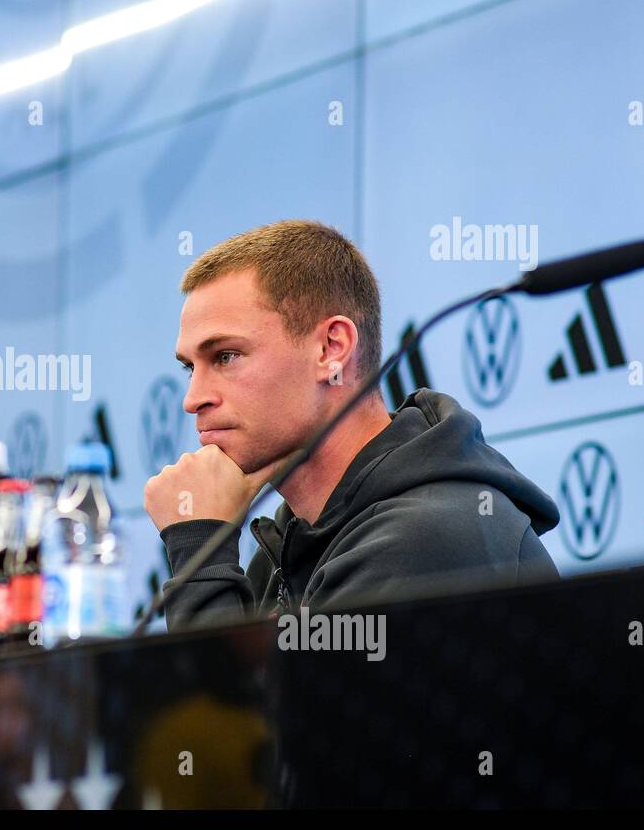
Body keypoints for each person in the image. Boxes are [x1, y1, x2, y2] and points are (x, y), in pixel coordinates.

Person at [144, 220, 560, 628]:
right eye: (190, 368)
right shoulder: (290, 547)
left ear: (331, 349)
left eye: (226, 356)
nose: (192, 400)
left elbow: (225, 681)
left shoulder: (424, 538)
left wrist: (199, 545)